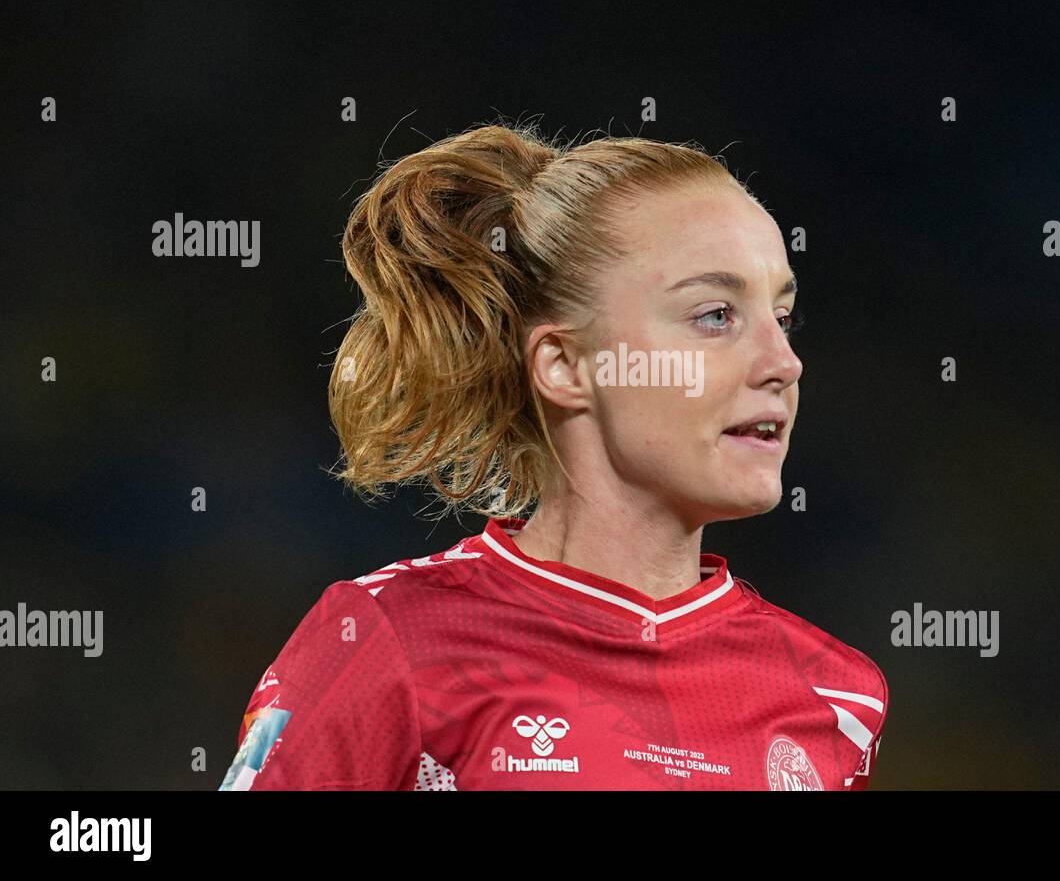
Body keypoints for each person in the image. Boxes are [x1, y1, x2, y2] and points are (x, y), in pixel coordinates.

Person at [219, 121, 888, 790]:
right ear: (565, 364)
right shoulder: (385, 637)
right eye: (715, 315)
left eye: (784, 317)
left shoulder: (836, 696)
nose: (783, 362)